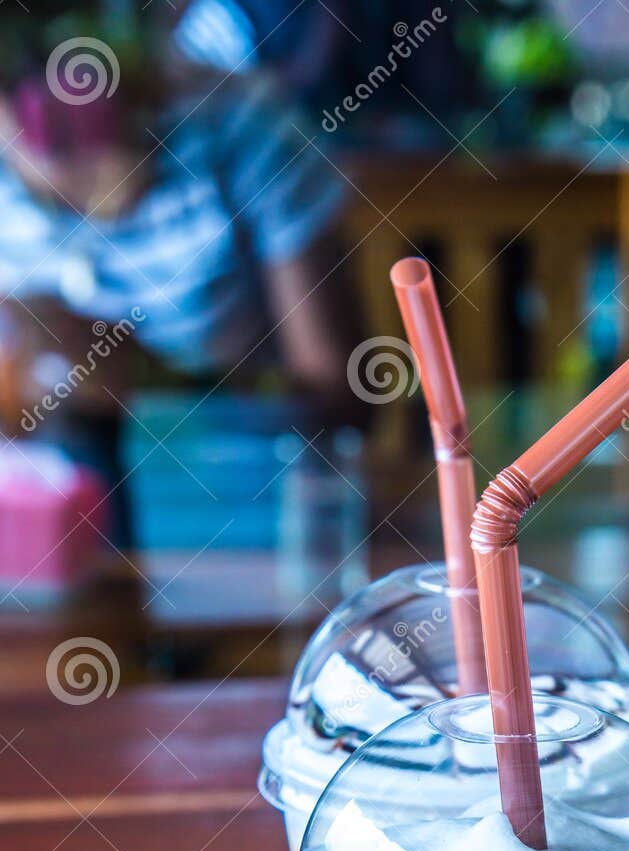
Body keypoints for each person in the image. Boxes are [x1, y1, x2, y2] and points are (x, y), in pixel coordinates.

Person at [0, 1, 359, 493]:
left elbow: (342, 403)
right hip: (52, 503)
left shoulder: (244, 127)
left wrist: (146, 387)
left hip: (228, 490)